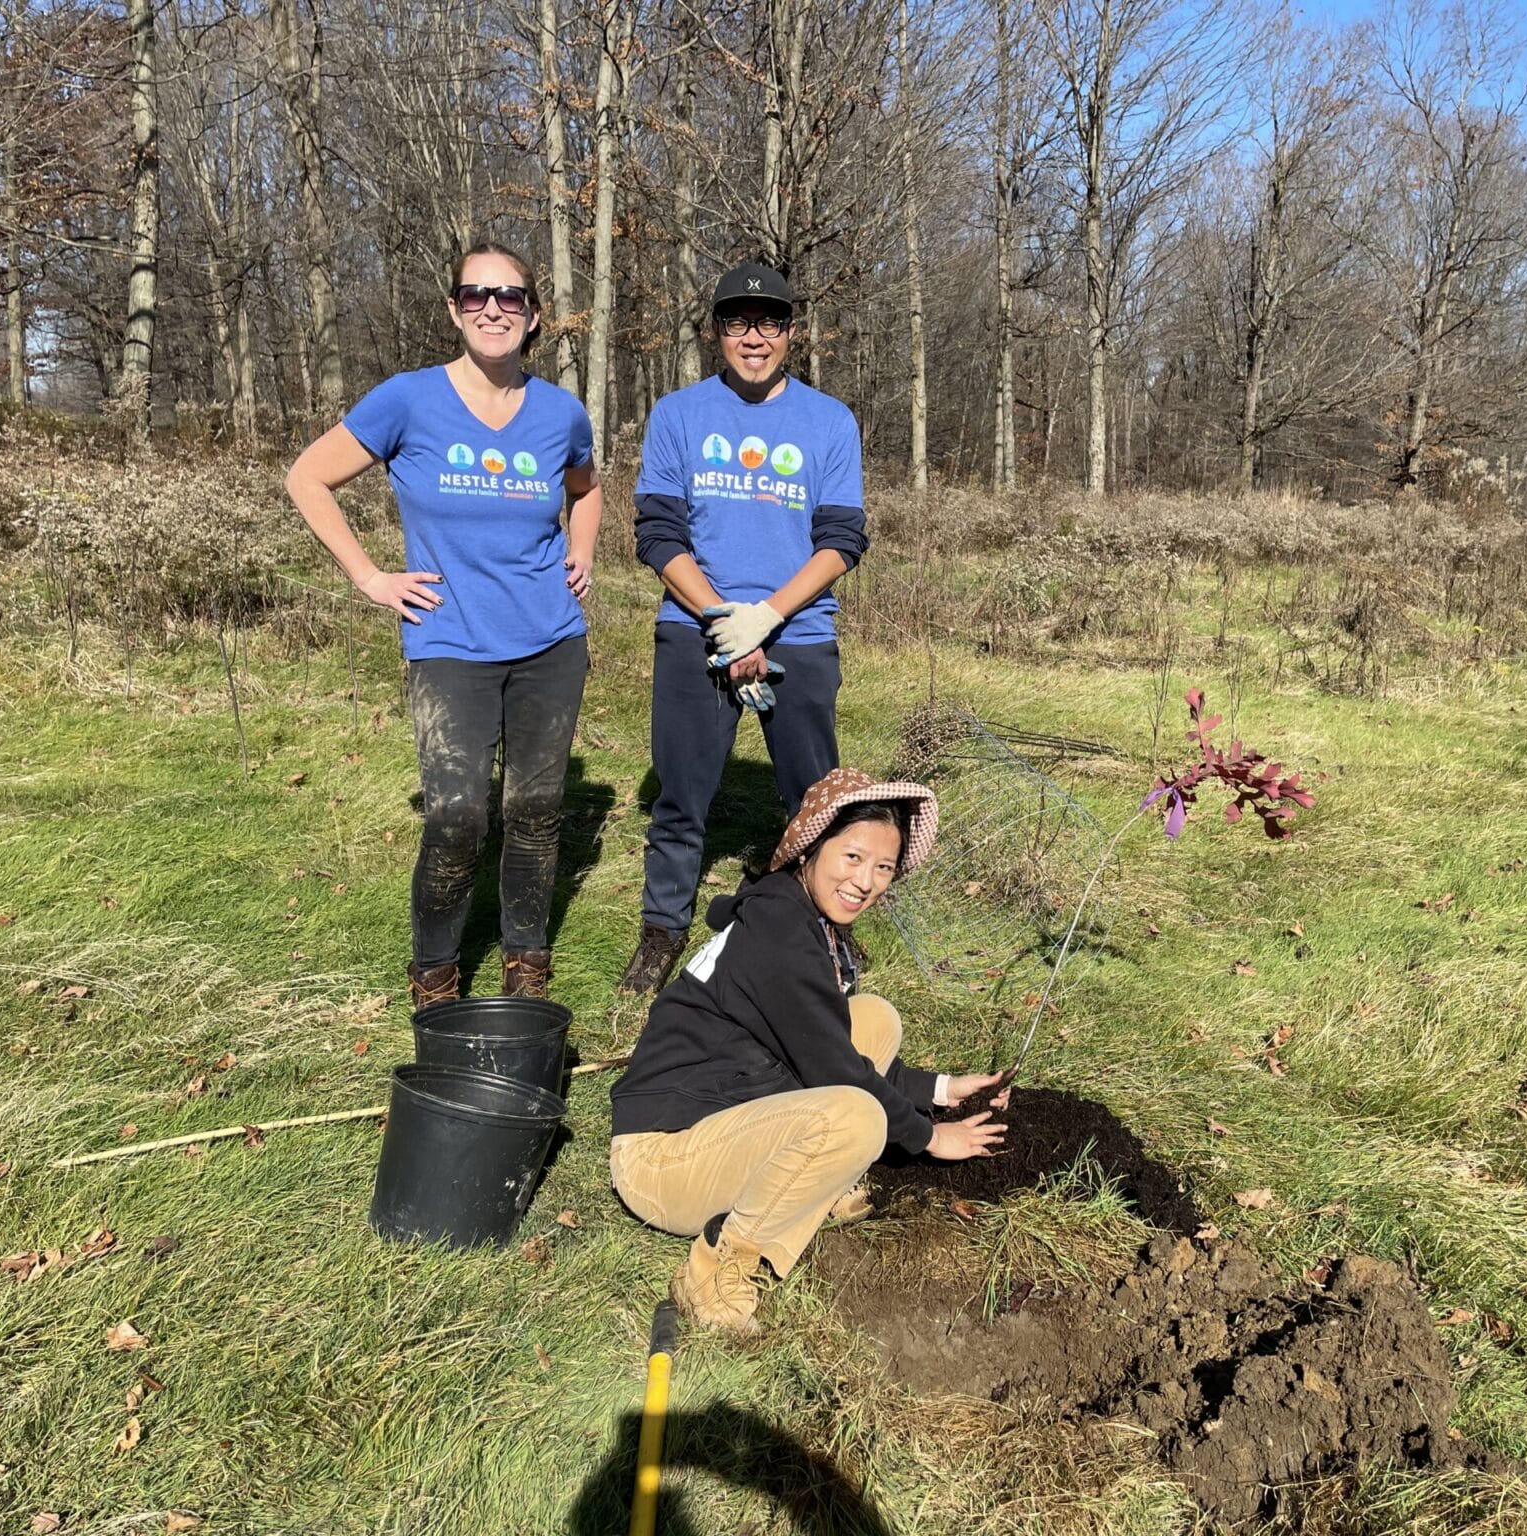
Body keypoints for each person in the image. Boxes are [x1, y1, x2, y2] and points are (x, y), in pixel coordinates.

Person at [285, 240, 601, 1007]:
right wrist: (369, 576)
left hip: (550, 643)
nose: (492, 308)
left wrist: (582, 553)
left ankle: (526, 956)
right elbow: (307, 476)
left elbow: (587, 489)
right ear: (453, 308)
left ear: (534, 316)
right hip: (449, 641)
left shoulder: (561, 410)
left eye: (511, 297)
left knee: (534, 809)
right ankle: (434, 970)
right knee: (458, 814)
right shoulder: (407, 399)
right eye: (475, 295)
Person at [608, 769, 1011, 1334]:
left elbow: (825, 1039)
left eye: (883, 868)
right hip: (663, 1161)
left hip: (724, 1111)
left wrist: (940, 1089)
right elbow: (834, 1067)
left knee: (871, 1018)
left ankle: (814, 1183)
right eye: (852, 857)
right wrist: (930, 1136)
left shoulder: (793, 911)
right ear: (813, 847)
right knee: (857, 1117)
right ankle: (716, 1273)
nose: (865, 881)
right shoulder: (780, 932)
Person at [619, 261, 868, 993]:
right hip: (695, 625)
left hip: (799, 627)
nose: (752, 337)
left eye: (768, 322)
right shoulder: (678, 415)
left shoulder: (829, 421)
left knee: (815, 797)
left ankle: (825, 931)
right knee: (681, 795)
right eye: (736, 321)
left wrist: (768, 615)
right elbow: (658, 534)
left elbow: (842, 540)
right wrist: (722, 618)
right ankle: (662, 928)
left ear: (791, 332)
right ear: (717, 331)